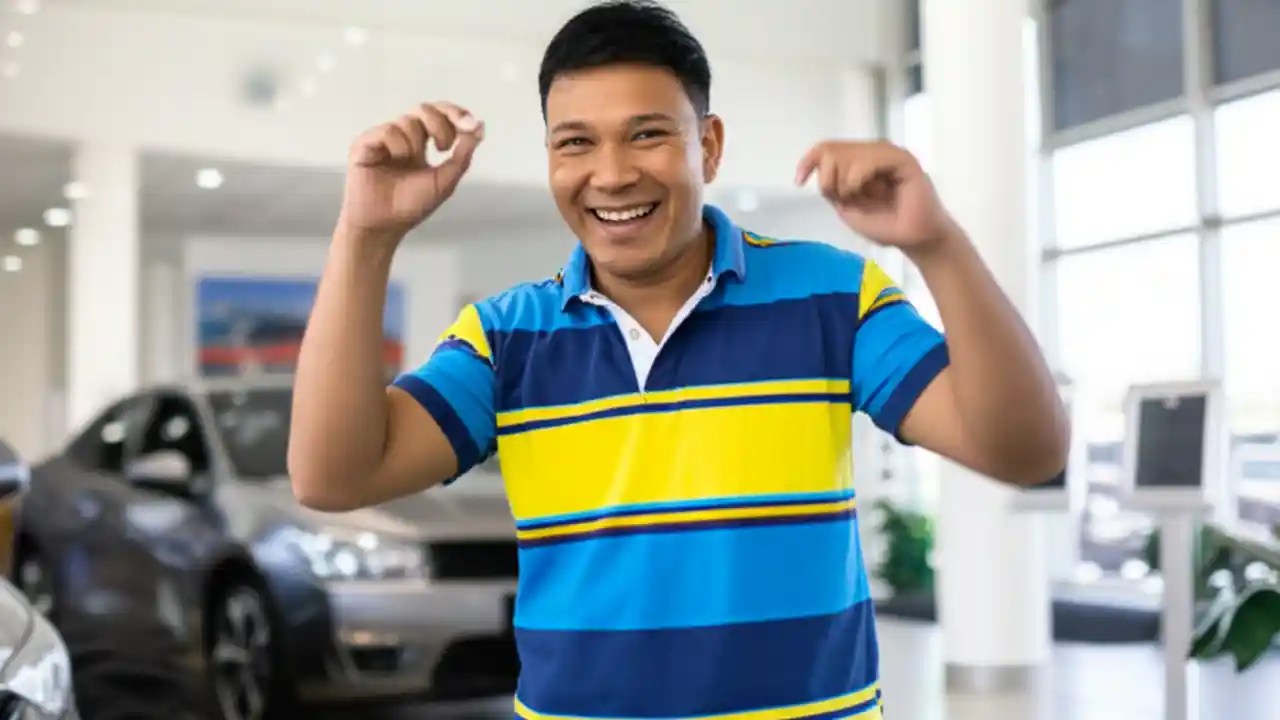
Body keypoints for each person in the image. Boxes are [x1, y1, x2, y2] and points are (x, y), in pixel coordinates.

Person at [288, 1, 1069, 717]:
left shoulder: (829, 296)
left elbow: (1025, 449)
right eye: (576, 143)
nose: (613, 173)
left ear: (709, 144)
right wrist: (366, 236)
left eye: (647, 133)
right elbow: (334, 475)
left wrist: (935, 244)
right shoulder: (506, 336)